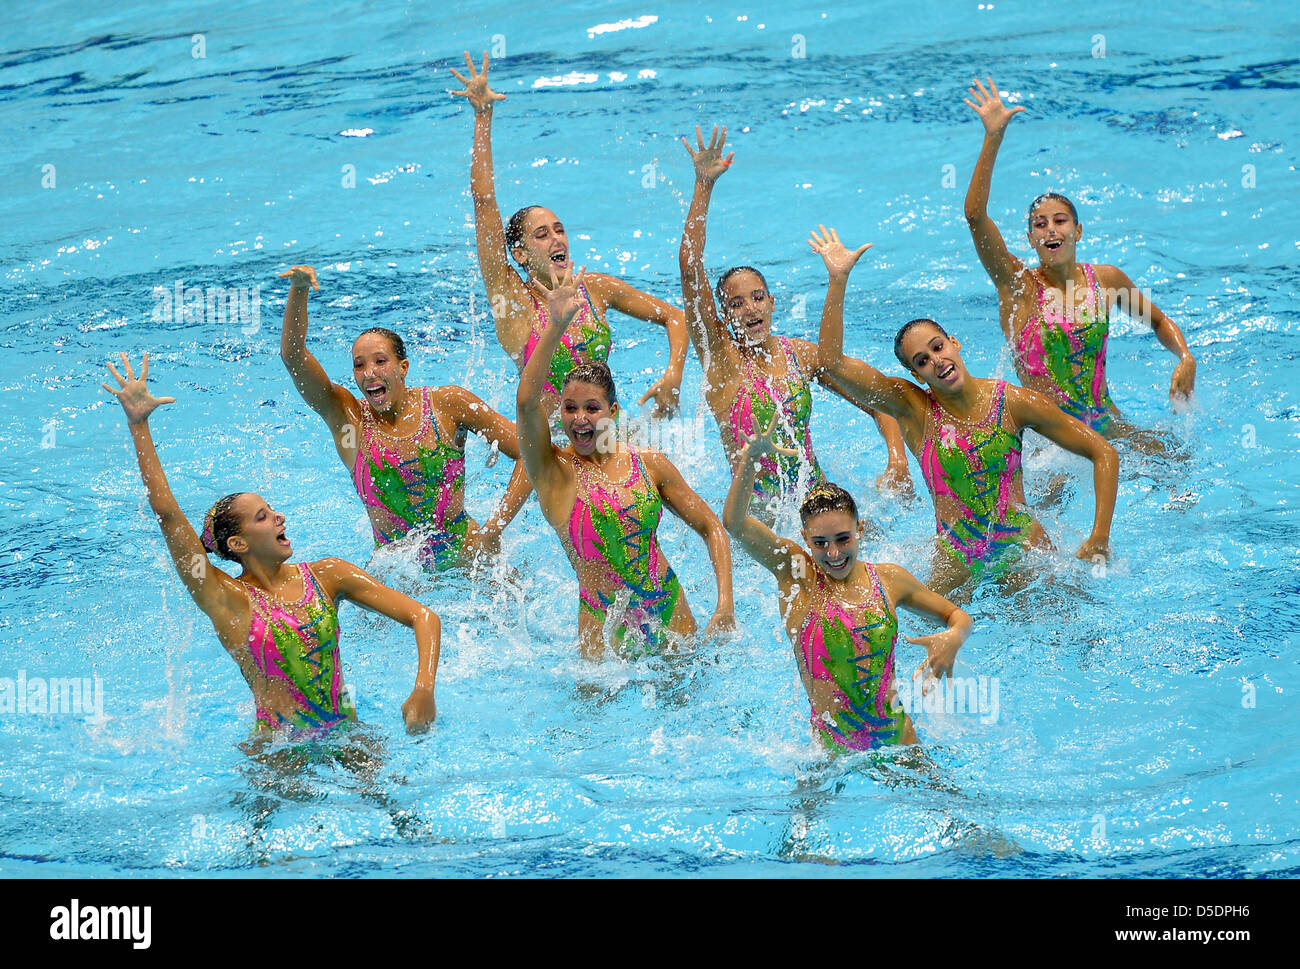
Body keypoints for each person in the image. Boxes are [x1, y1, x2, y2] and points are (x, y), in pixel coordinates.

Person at [102, 352, 440, 737]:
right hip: (277, 754)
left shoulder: (328, 576)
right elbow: (167, 515)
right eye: (263, 517)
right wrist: (139, 425)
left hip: (350, 738)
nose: (279, 517)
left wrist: (423, 689)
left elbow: (424, 617)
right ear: (238, 542)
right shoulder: (226, 599)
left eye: (272, 510)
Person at [451, 51, 690, 533]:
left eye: (559, 230)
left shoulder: (594, 289)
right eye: (541, 235)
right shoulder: (512, 301)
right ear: (520, 253)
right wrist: (483, 117)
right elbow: (483, 204)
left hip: (610, 439)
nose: (556, 239)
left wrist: (673, 374)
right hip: (552, 456)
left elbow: (675, 317)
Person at [812, 228, 1119, 594]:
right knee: (923, 623)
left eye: (938, 347)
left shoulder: (1013, 403)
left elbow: (1104, 452)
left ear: (954, 343)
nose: (936, 361)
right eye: (922, 361)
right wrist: (838, 281)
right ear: (917, 375)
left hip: (1024, 549)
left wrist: (1099, 537)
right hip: (957, 555)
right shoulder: (913, 411)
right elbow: (831, 364)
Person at [678, 125, 912, 524]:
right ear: (723, 315)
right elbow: (689, 266)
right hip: (760, 520)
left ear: (772, 303)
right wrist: (704, 184)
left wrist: (897, 460)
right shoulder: (719, 357)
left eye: (757, 297)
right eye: (735, 303)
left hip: (816, 504)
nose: (749, 309)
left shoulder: (799, 356)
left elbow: (879, 403)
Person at [515, 264, 736, 660]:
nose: (579, 419)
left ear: (613, 412)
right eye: (569, 408)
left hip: (669, 611)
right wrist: (555, 326)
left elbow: (711, 526)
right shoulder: (553, 473)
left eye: (591, 408)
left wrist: (724, 605)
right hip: (603, 630)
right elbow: (526, 403)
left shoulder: (650, 465)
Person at [963, 76, 1196, 442]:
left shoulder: (1106, 281)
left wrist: (1185, 357)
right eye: (1040, 225)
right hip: (1048, 440)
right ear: (1030, 239)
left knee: (1176, 458)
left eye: (1060, 221)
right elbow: (975, 217)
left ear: (1078, 230)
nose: (1050, 230)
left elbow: (1158, 321)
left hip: (1105, 425)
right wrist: (993, 138)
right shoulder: (1017, 285)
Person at [723, 416, 972, 752]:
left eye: (843, 539)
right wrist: (749, 461)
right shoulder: (797, 574)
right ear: (805, 540)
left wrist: (954, 637)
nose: (834, 553)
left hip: (898, 738)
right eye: (820, 543)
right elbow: (735, 524)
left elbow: (957, 616)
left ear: (860, 530)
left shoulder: (889, 579)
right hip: (832, 752)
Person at [278, 265, 519, 571]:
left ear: (403, 367)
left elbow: (528, 452)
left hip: (468, 556)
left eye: (380, 361)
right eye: (359, 365)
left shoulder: (448, 405)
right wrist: (299, 289)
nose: (369, 373)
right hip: (399, 572)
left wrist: (495, 528)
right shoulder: (348, 421)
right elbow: (293, 357)